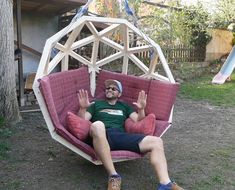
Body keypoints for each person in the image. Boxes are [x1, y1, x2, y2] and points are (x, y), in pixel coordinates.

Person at [77, 79, 184, 190]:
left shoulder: (124, 106)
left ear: (120, 93)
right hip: (101, 135)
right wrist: (82, 108)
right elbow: (82, 120)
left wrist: (141, 109)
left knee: (157, 141)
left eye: (114, 88)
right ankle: (114, 176)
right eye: (108, 88)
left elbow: (138, 120)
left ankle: (166, 184)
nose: (109, 90)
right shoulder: (96, 104)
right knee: (98, 124)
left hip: (120, 136)